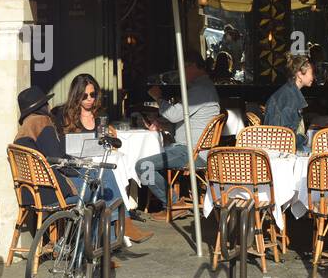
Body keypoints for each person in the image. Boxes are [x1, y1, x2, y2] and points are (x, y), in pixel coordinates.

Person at [15, 87, 150, 245]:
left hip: (31, 192)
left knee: (97, 179)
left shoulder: (24, 129)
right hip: (52, 193)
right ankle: (119, 230)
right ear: (44, 106)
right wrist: (82, 167)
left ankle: (108, 246)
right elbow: (59, 162)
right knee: (102, 178)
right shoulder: (41, 122)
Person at [134, 50, 223, 216]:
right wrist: (163, 125)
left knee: (143, 165)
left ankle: (172, 203)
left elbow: (174, 115)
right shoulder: (201, 88)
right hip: (190, 148)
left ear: (194, 66)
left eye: (183, 68)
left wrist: (158, 98)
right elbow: (185, 120)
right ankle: (167, 202)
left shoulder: (201, 90)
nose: (180, 73)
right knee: (149, 156)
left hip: (191, 152)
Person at [263, 54, 315, 150]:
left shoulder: (289, 92)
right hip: (282, 152)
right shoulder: (289, 98)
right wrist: (306, 138)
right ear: (300, 74)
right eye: (311, 73)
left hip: (280, 148)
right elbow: (285, 137)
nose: (314, 76)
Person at [60, 73, 117, 138]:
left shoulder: (102, 116)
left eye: (92, 94)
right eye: (84, 96)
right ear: (76, 95)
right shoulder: (65, 116)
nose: (89, 99)